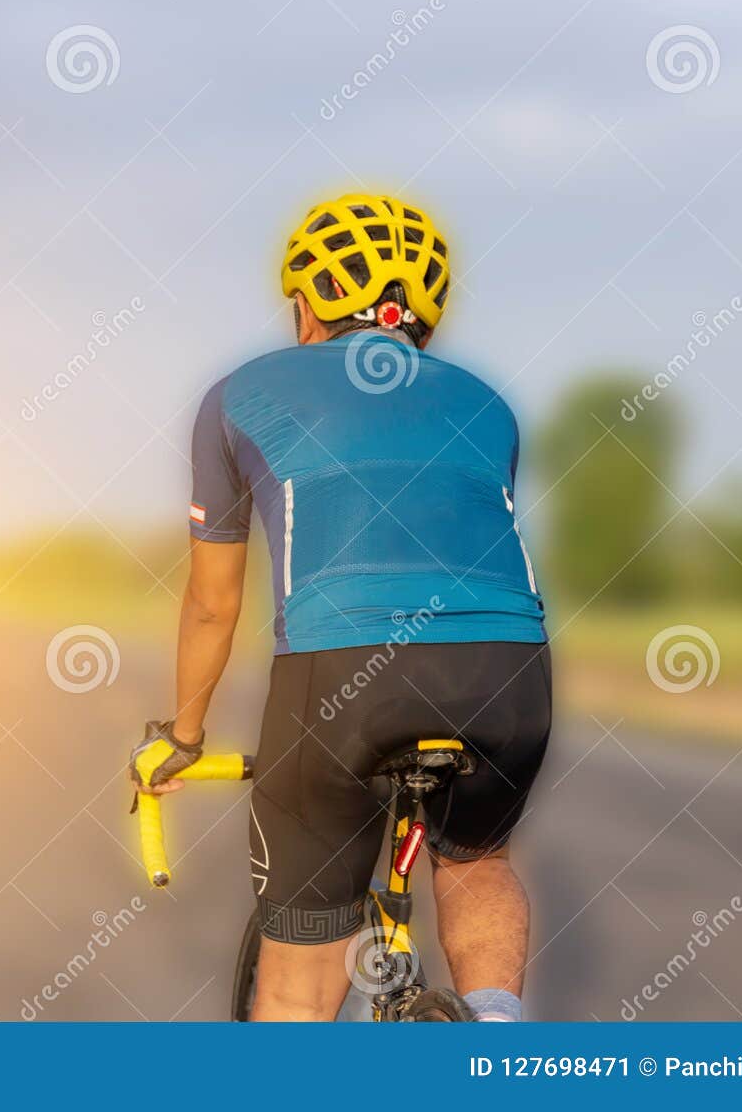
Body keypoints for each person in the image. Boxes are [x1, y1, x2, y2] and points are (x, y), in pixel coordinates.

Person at [130, 193, 551, 1022]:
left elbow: (214, 602)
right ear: (421, 318)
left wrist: (183, 737)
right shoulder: (488, 404)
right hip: (510, 670)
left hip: (342, 671)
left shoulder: (239, 395)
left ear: (308, 304)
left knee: (299, 974)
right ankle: (495, 1034)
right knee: (476, 860)